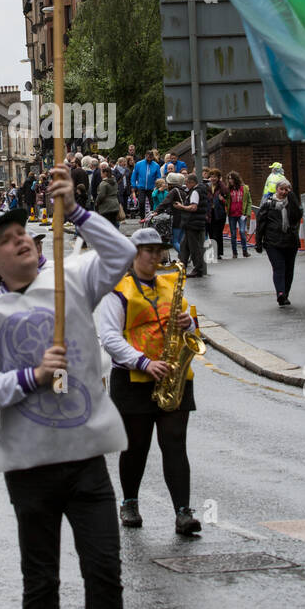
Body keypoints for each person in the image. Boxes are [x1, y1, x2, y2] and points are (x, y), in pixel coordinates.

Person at [0, 165, 161, 609]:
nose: (20, 240)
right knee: (41, 579)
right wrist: (29, 379)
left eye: (23, 232)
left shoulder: (70, 279)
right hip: (30, 468)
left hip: (87, 460)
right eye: (5, 240)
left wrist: (79, 209)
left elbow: (120, 255)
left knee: (104, 571)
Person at [99, 228, 202, 537]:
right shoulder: (117, 289)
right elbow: (108, 337)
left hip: (174, 374)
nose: (157, 256)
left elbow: (194, 329)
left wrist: (190, 323)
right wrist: (143, 362)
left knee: (174, 443)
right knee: (136, 445)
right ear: (133, 255)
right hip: (134, 378)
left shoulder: (171, 284)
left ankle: (183, 512)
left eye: (159, 250)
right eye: (150, 251)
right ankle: (129, 502)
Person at [255, 178, 303, 306]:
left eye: (286, 189)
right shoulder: (268, 204)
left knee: (289, 269)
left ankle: (285, 293)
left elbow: (297, 216)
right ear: (276, 190)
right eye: (281, 189)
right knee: (279, 267)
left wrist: (291, 196)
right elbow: (261, 224)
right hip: (273, 242)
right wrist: (258, 242)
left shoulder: (292, 203)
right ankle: (280, 293)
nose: (283, 192)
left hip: (290, 241)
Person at [177, 173, 208, 278]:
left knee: (193, 247)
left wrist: (182, 207)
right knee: (184, 245)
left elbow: (194, 207)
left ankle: (198, 269)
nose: (186, 185)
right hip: (195, 222)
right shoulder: (201, 190)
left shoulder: (195, 192)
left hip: (193, 223)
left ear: (192, 182)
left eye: (187, 183)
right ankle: (182, 266)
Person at [225, 171, 252, 259]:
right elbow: (226, 201)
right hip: (232, 214)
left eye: (231, 179)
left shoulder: (244, 188)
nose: (230, 181)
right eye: (229, 179)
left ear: (236, 179)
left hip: (241, 214)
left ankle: (245, 251)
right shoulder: (228, 189)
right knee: (233, 234)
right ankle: (235, 253)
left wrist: (247, 213)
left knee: (242, 231)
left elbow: (249, 201)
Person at [131, 150, 159, 221]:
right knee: (141, 202)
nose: (149, 158)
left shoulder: (156, 165)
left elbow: (158, 177)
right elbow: (134, 175)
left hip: (151, 187)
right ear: (145, 156)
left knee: (152, 202)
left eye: (150, 156)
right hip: (141, 187)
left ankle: (152, 217)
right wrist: (134, 185)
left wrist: (158, 186)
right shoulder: (139, 164)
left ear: (152, 157)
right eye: (147, 156)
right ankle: (142, 217)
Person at [206, 171, 227, 260]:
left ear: (218, 178)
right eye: (211, 176)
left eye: (215, 177)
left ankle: (218, 252)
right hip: (210, 212)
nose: (213, 178)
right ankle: (214, 252)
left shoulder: (221, 186)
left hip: (219, 213)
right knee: (211, 233)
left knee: (217, 233)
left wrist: (221, 182)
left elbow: (226, 192)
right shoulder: (208, 186)